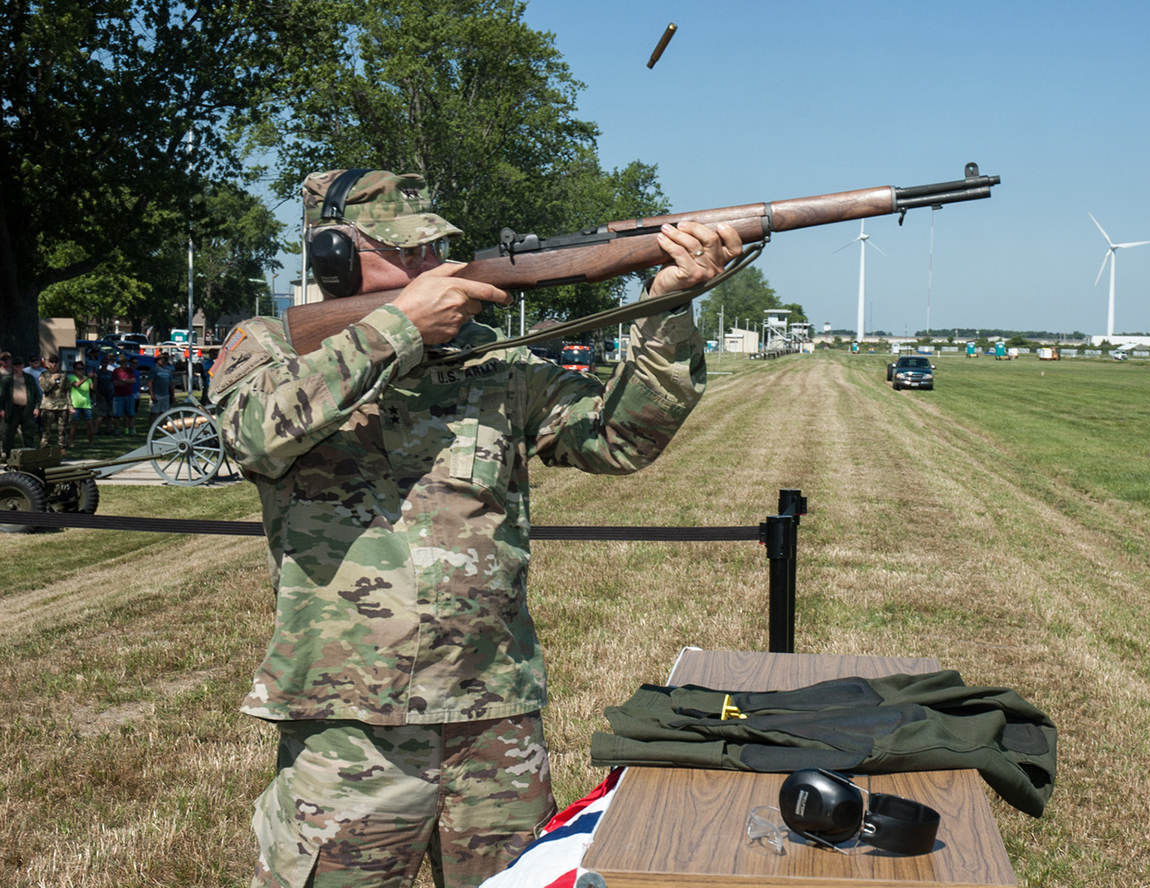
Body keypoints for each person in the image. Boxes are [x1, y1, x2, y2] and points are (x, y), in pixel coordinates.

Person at [211, 169, 741, 888]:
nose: (429, 266)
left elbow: (618, 439)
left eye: (434, 249)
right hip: (351, 725)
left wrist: (669, 307)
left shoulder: (494, 359)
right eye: (405, 251)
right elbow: (252, 437)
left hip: (494, 717)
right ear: (332, 257)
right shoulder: (269, 345)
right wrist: (396, 329)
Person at [1, 356, 42, 457]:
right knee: (9, 434)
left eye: (20, 364)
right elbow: (1, 396)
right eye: (15, 364)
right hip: (13, 409)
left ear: (23, 365)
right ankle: (8, 456)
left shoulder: (29, 378)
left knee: (28, 434)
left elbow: (37, 394)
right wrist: (2, 409)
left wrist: (37, 407)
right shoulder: (7, 379)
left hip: (27, 409)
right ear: (13, 366)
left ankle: (29, 456)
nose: (18, 366)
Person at [38, 355, 71, 449]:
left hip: (62, 405)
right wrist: (52, 379)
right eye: (52, 362)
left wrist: (70, 406)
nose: (54, 364)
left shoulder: (63, 375)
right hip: (48, 406)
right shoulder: (44, 375)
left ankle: (62, 447)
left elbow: (67, 391)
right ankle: (45, 447)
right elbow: (44, 388)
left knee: (62, 429)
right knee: (46, 429)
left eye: (56, 362)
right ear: (48, 363)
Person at [67, 360, 96, 448]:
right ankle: (71, 442)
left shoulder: (88, 379)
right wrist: (87, 377)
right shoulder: (72, 377)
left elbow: (93, 388)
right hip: (75, 404)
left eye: (82, 369)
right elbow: (76, 385)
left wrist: (95, 379)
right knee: (75, 424)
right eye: (78, 369)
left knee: (90, 424)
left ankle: (91, 443)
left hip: (86, 404)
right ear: (74, 370)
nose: (80, 370)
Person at [111, 355, 139, 435]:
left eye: (126, 362)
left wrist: (123, 380)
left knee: (131, 414)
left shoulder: (130, 370)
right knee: (117, 415)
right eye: (123, 362)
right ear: (120, 363)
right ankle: (117, 431)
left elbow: (133, 381)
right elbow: (115, 383)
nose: (125, 364)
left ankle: (131, 431)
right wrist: (127, 381)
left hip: (129, 394)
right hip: (118, 395)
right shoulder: (116, 371)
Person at [148, 353, 174, 424]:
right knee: (154, 412)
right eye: (160, 359)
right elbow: (150, 382)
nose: (162, 361)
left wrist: (172, 395)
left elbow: (171, 383)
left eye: (163, 359)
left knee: (164, 412)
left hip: (166, 394)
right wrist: (152, 394)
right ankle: (152, 426)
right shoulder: (153, 369)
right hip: (157, 394)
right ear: (157, 361)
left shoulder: (168, 370)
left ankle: (162, 426)